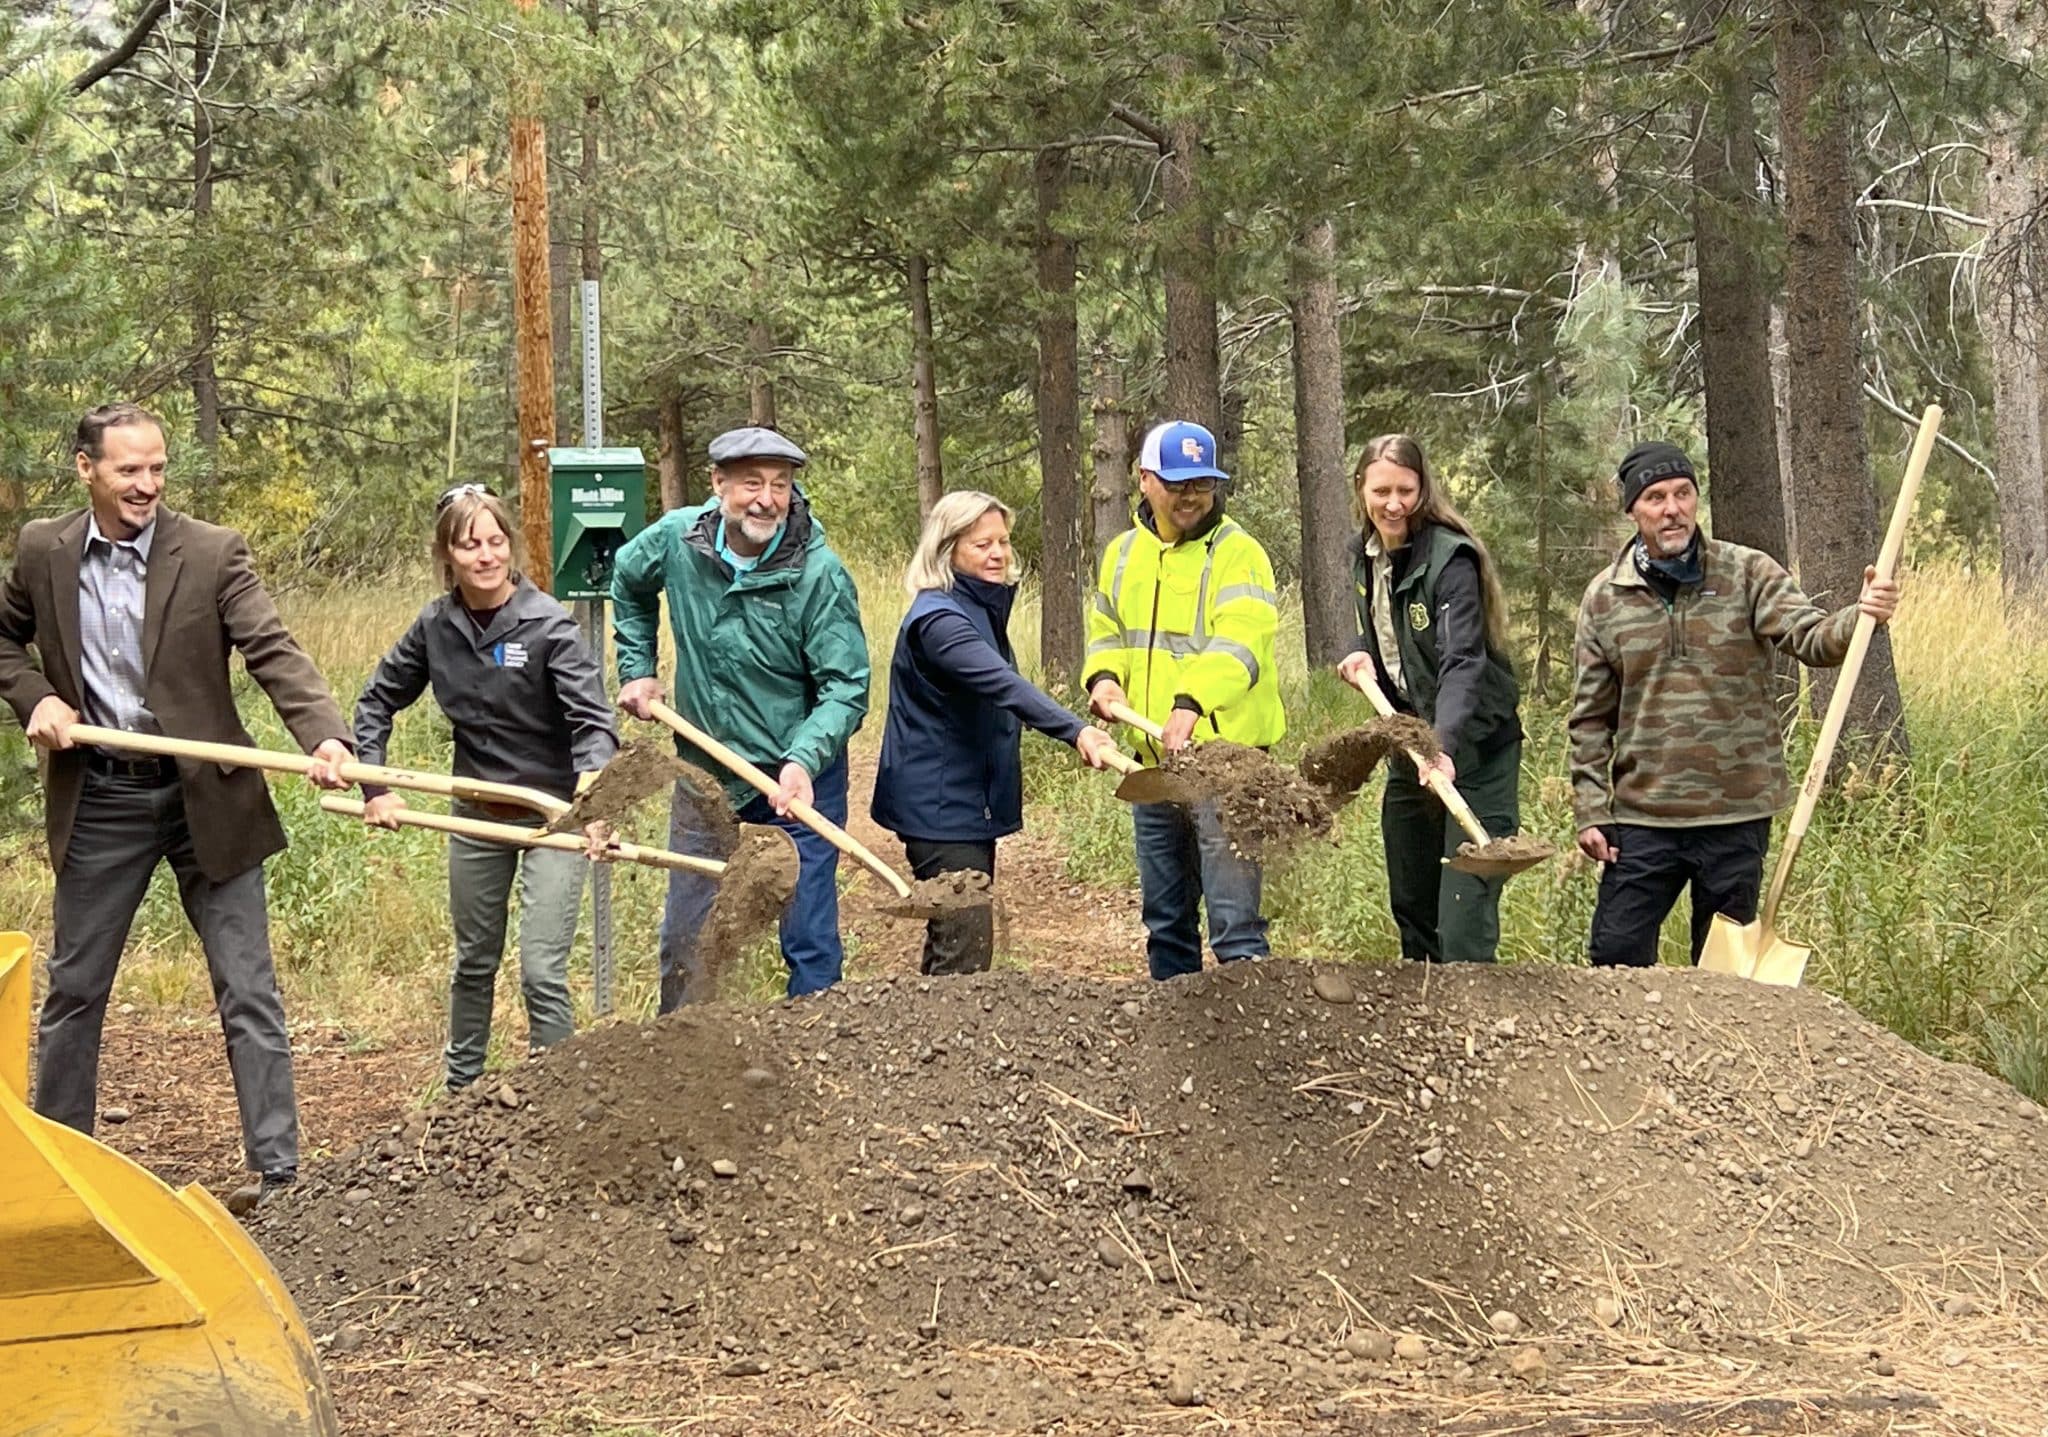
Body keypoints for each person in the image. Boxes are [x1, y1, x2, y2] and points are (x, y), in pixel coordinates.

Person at [0, 403, 352, 1212]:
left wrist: (325, 738)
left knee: (247, 984)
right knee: (76, 988)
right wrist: (38, 696)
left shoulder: (212, 552)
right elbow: (1, 639)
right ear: (86, 469)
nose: (147, 485)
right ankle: (63, 1173)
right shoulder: (44, 551)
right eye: (129, 469)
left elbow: (273, 649)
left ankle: (280, 1174)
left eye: (157, 468)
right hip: (103, 794)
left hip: (207, 795)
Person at [1570, 440, 1900, 966]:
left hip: (1737, 814)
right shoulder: (1606, 597)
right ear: (1632, 509)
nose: (1672, 508)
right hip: (1645, 817)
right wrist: (1591, 809)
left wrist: (1859, 614)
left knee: (1723, 973)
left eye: (1682, 493)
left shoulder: (1747, 573)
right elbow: (1589, 718)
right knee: (1615, 956)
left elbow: (1811, 639)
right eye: (1655, 497)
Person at [351, 485, 619, 1092]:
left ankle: (556, 1095)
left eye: (495, 541)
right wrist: (374, 785)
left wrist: (595, 803)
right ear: (448, 553)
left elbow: (593, 724)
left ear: (510, 547)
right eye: (469, 544)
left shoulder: (549, 625)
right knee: (474, 962)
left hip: (553, 816)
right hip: (474, 814)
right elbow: (376, 703)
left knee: (542, 970)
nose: (485, 555)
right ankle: (460, 1094)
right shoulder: (434, 626)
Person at [613, 426, 869, 1008]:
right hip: (707, 775)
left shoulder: (819, 573)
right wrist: (637, 667)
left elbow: (846, 686)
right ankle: (680, 1055)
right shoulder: (677, 540)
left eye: (780, 485)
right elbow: (627, 579)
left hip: (796, 780)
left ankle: (812, 1052)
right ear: (718, 484)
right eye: (752, 482)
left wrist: (803, 760)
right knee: (687, 933)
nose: (767, 499)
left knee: (808, 936)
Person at [872, 492, 1117, 974]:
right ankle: (946, 1042)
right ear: (948, 550)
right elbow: (1003, 684)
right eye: (982, 544)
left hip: (964, 801)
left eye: (1003, 541)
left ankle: (943, 1033)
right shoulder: (940, 620)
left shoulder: (978, 607)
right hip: (938, 807)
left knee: (959, 933)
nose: (999, 553)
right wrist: (1077, 732)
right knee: (963, 939)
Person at [1084, 420, 1283, 980]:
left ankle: (1245, 1040)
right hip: (1153, 769)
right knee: (1166, 920)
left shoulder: (1239, 554)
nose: (1191, 494)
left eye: (1202, 482)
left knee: (1235, 926)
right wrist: (1102, 678)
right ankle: (1173, 1036)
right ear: (1144, 480)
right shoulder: (1123, 554)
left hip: (1228, 768)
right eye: (1177, 482)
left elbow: (1240, 642)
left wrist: (1192, 702)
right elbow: (1106, 630)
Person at [1337, 434, 1523, 963]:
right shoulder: (1365, 556)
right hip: (1412, 750)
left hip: (1475, 749)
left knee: (1462, 919)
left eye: (1406, 490)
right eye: (1382, 491)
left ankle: (1473, 1024)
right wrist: (1359, 652)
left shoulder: (1450, 559)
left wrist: (1443, 746)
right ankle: (1427, 1027)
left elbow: (1461, 660)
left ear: (1422, 490)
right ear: (1362, 490)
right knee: (1412, 902)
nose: (1393, 503)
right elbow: (1385, 632)